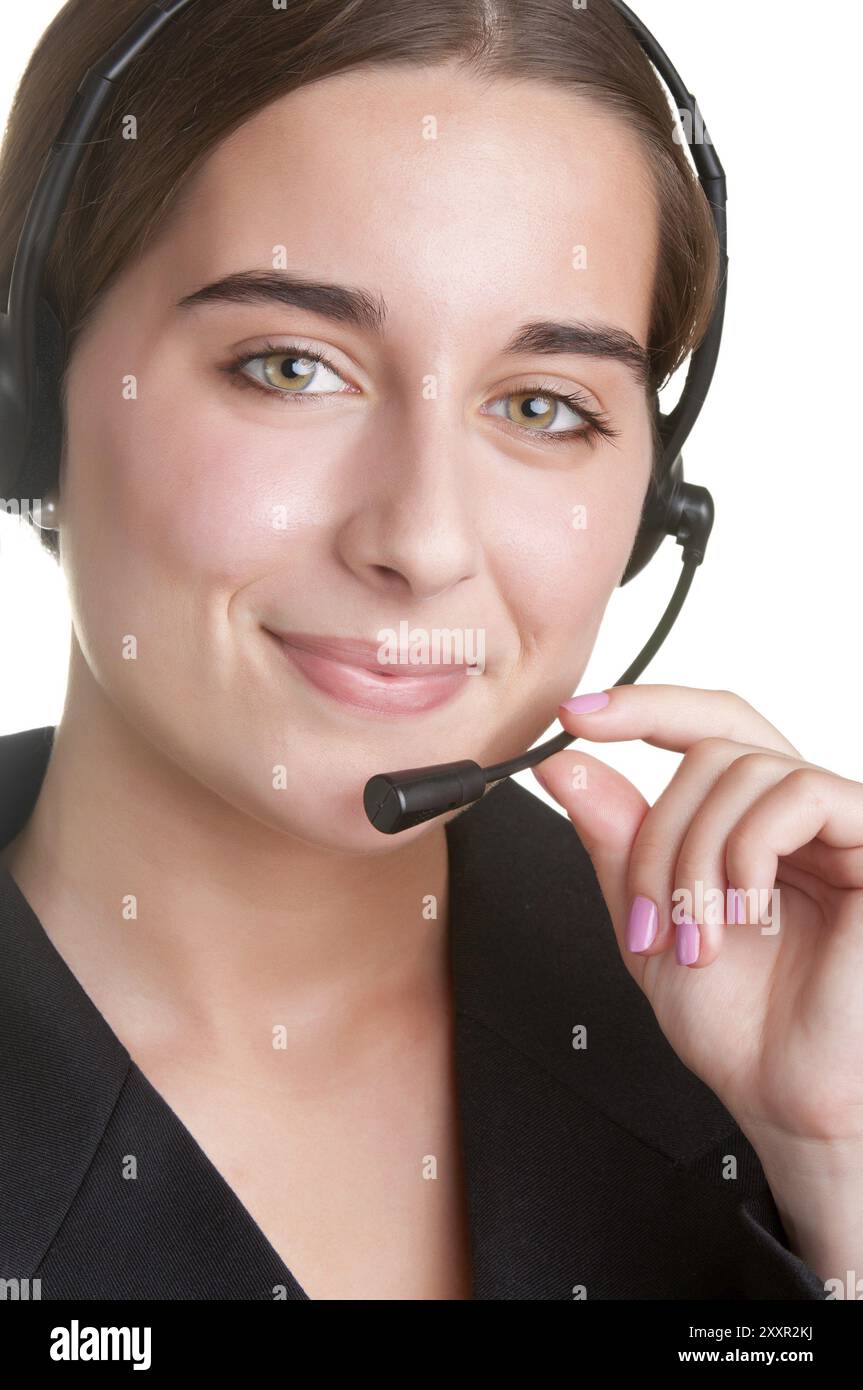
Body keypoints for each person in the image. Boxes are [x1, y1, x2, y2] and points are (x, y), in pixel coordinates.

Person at [0, 0, 860, 1302]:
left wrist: (841, 1171)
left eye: (541, 405)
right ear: (31, 404)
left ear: (653, 501)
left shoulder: (769, 1057)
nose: (423, 539)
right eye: (291, 367)